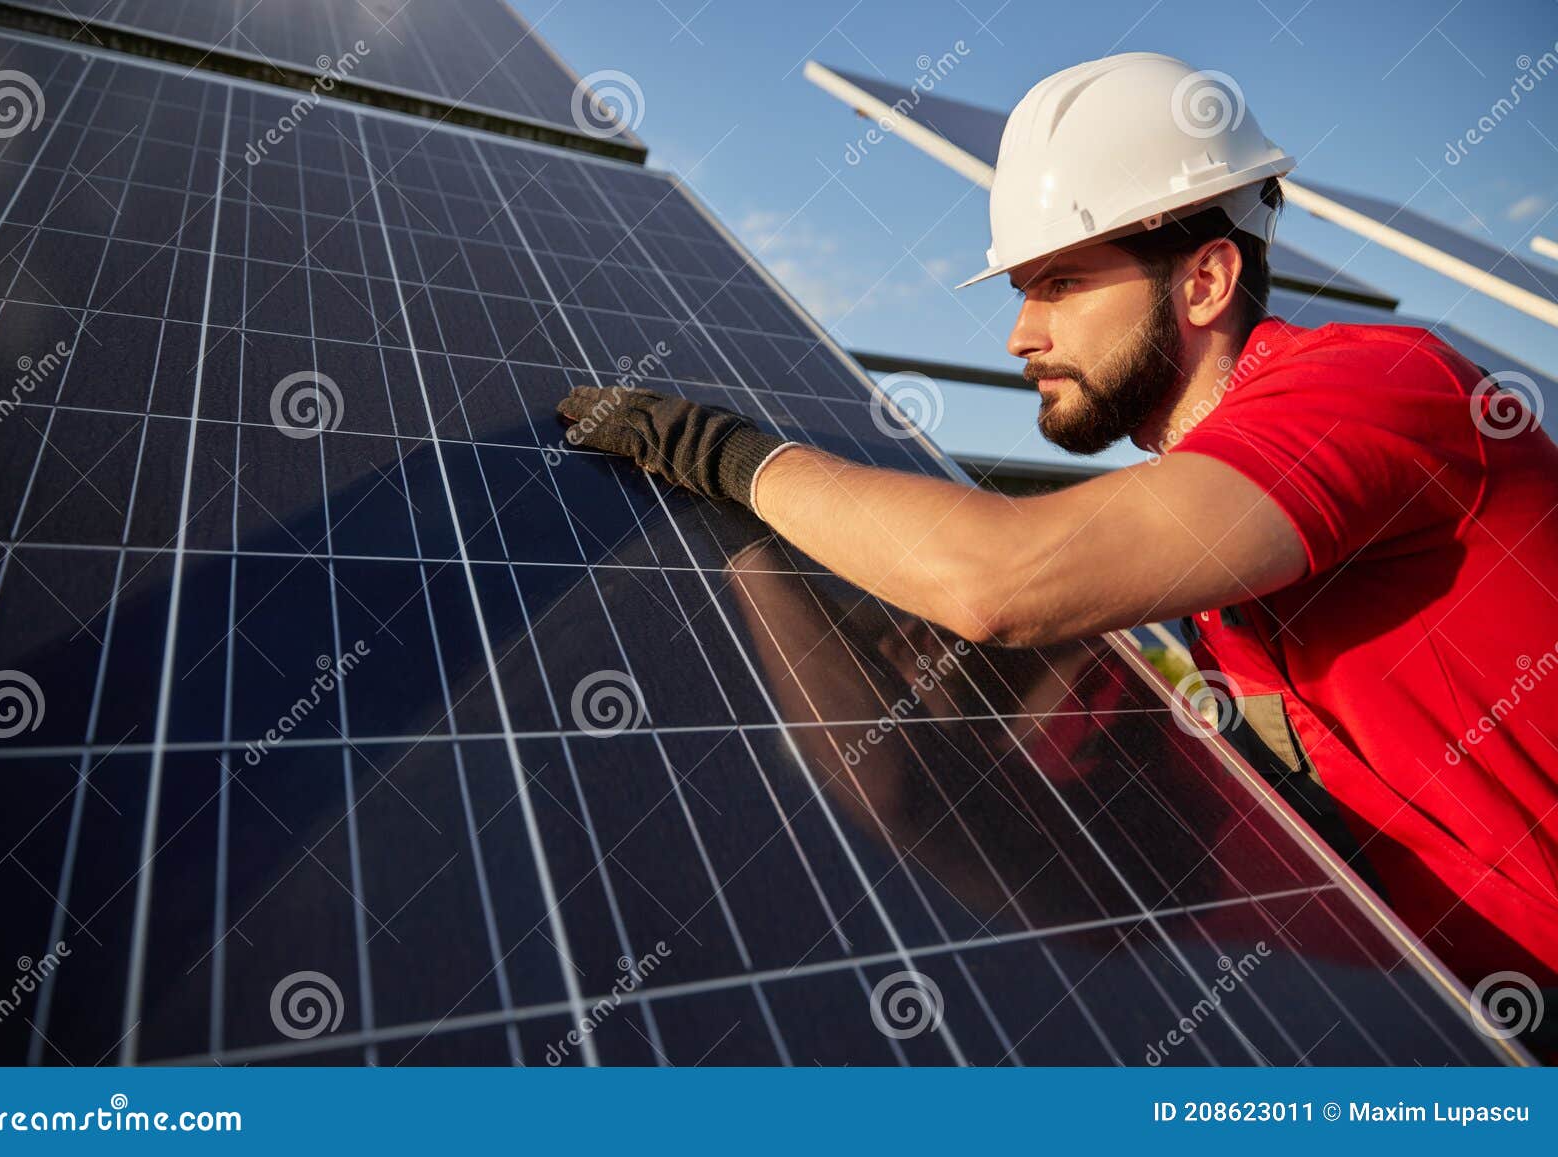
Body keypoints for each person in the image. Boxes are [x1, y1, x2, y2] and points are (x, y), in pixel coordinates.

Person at [557, 53, 1558, 999]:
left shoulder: (1370, 387)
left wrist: (729, 458)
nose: (1018, 334)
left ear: (1202, 280)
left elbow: (1004, 579)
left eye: (1061, 284)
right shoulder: (1223, 535)